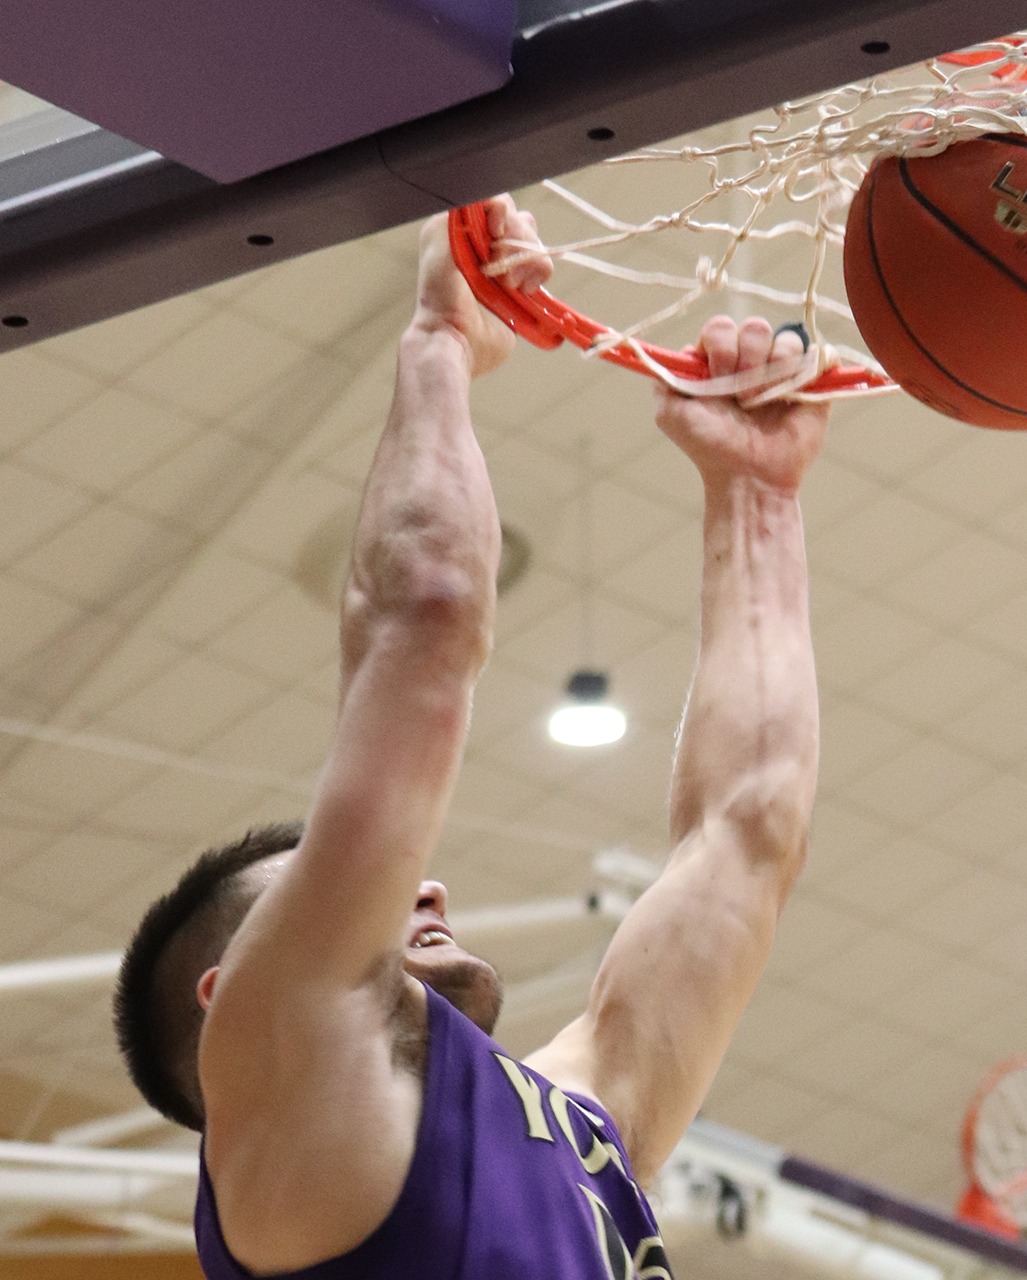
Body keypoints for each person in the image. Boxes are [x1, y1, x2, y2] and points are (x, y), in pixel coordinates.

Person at [111, 194, 828, 1279]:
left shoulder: (577, 1125)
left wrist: (756, 495)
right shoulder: (294, 1144)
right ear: (236, 999)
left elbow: (751, 823)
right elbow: (431, 610)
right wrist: (439, 344)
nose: (427, 885)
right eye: (333, 891)